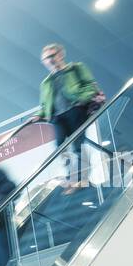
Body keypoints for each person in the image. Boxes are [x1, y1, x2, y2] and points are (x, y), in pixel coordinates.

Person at [35, 42, 103, 190]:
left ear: (61, 55)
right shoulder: (46, 82)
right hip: (57, 117)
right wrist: (38, 115)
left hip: (75, 109)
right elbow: (44, 105)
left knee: (78, 144)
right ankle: (71, 176)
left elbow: (90, 85)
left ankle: (82, 178)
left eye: (52, 56)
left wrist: (82, 98)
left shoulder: (76, 68)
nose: (50, 60)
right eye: (46, 58)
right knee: (60, 146)